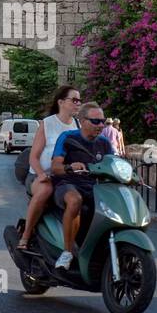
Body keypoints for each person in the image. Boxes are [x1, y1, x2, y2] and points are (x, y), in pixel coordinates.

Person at [49, 102, 116, 270]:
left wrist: (132, 174)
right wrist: (69, 167)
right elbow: (55, 167)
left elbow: (113, 164)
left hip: (93, 187)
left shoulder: (104, 143)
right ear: (82, 121)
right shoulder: (68, 138)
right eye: (96, 121)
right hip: (67, 183)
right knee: (75, 200)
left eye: (103, 121)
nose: (101, 125)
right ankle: (67, 252)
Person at [15, 86, 80, 250]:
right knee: (45, 190)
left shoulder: (78, 125)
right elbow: (33, 157)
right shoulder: (48, 123)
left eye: (79, 100)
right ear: (61, 102)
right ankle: (26, 235)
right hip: (39, 176)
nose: (78, 104)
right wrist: (41, 174)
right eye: (74, 100)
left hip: (64, 177)